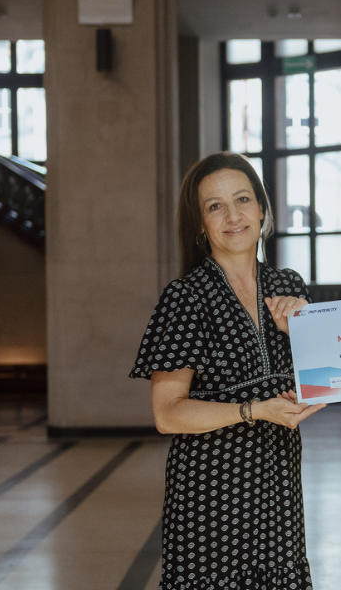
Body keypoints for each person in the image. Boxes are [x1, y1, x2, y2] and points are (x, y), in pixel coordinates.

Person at [129, 152, 325, 590]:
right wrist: (255, 410)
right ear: (200, 224)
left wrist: (304, 330)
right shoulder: (185, 298)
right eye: (215, 206)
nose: (233, 215)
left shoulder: (288, 287)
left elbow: (327, 377)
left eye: (242, 200)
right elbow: (167, 414)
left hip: (277, 492)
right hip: (210, 501)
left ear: (261, 210)